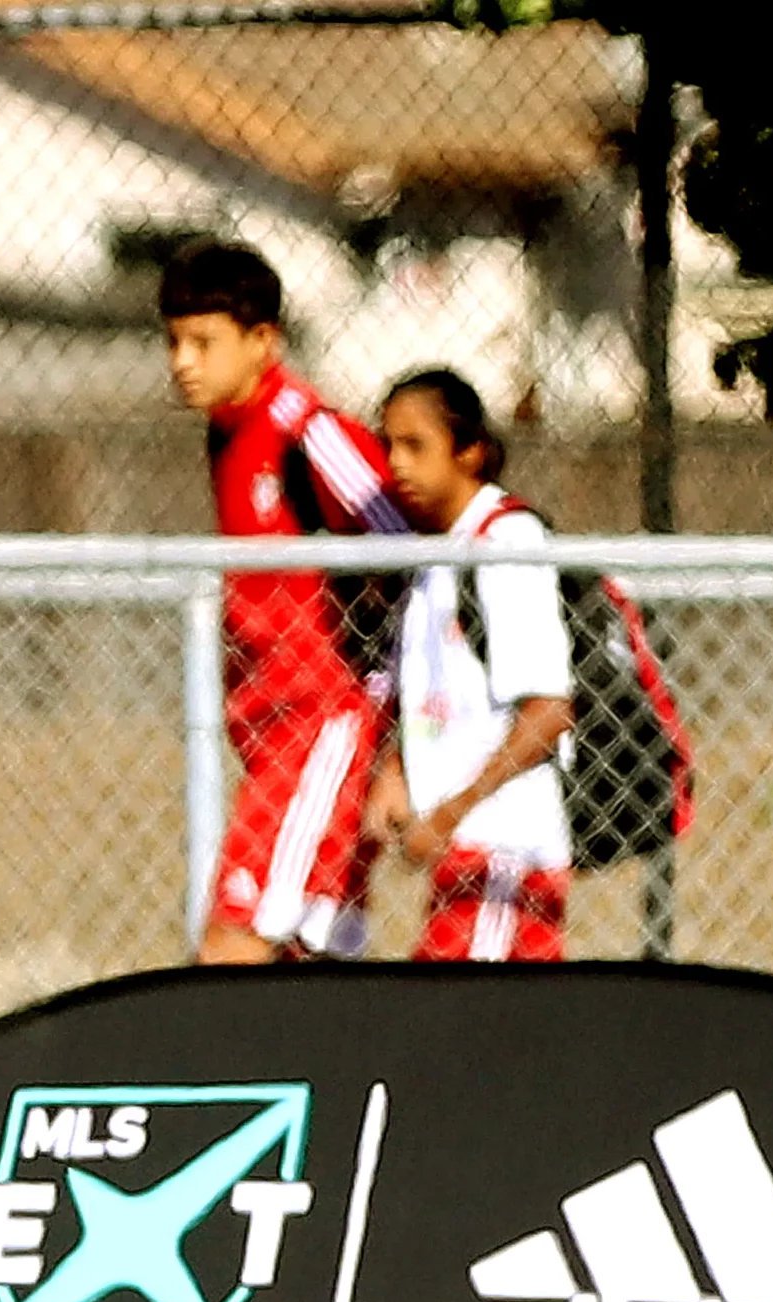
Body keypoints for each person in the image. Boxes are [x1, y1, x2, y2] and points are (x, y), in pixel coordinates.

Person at [161, 239, 412, 964]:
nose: (182, 360)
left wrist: (390, 727)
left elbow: (418, 563)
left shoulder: (307, 431)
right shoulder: (227, 432)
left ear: (262, 341)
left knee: (234, 939)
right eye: (173, 340)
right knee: (316, 950)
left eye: (203, 341)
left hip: (321, 718)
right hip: (268, 726)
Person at [365, 370, 577, 962]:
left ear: (470, 452)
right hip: (464, 856)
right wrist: (396, 770)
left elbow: (548, 712)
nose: (395, 464)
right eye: (388, 445)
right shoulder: (439, 547)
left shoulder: (505, 538)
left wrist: (452, 813)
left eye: (415, 446)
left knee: (456, 1035)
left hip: (505, 852)